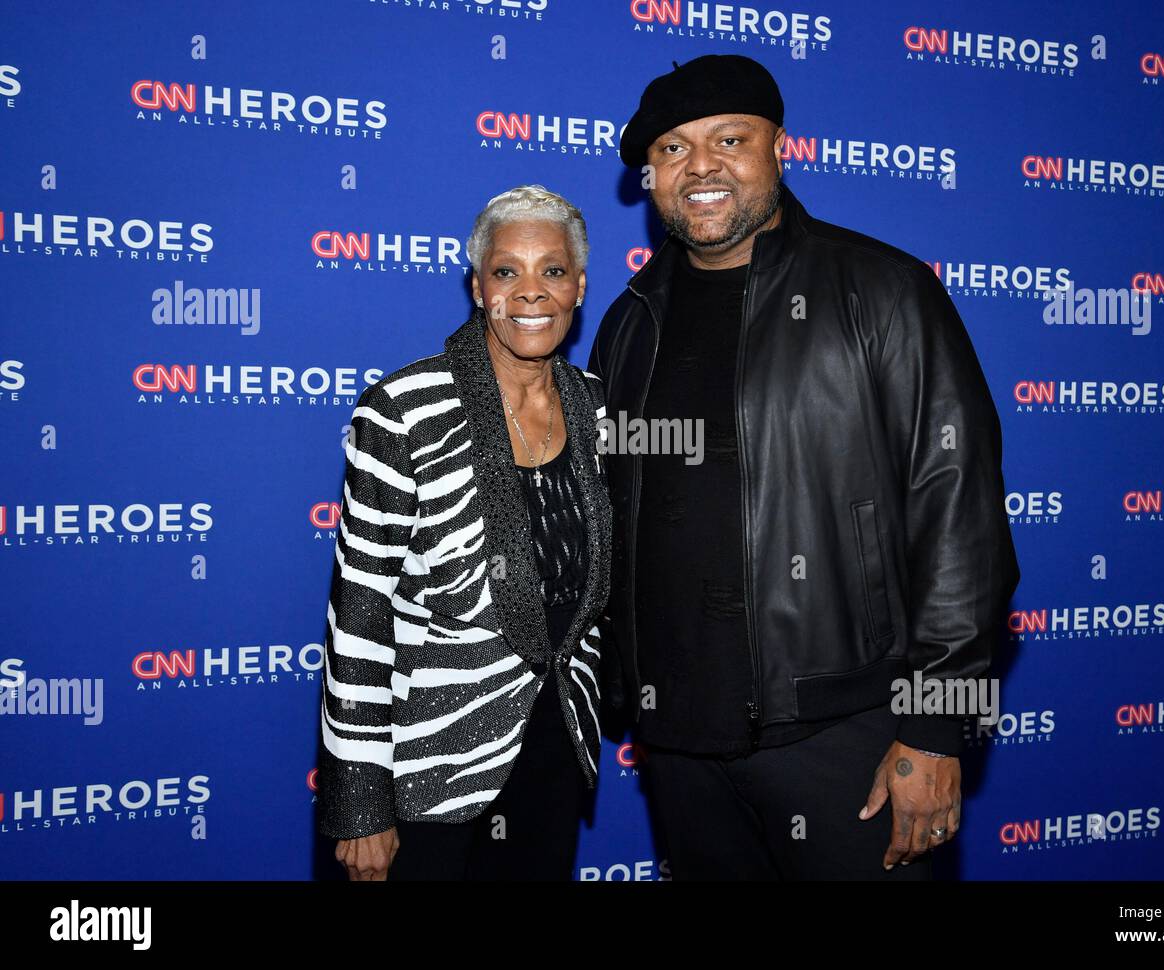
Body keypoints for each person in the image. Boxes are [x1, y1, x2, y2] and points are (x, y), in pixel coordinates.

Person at [589, 54, 1021, 880]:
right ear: (652, 176)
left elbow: (958, 513)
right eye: (674, 149)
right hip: (681, 744)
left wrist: (934, 726)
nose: (702, 166)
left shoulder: (882, 291)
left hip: (848, 737)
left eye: (728, 138)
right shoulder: (629, 322)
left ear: (779, 148)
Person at [316, 184, 611, 880]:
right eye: (508, 271)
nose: (531, 292)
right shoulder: (405, 410)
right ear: (479, 288)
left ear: (580, 286)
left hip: (555, 744)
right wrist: (362, 802)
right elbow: (360, 613)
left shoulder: (599, 407)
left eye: (554, 270)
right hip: (427, 761)